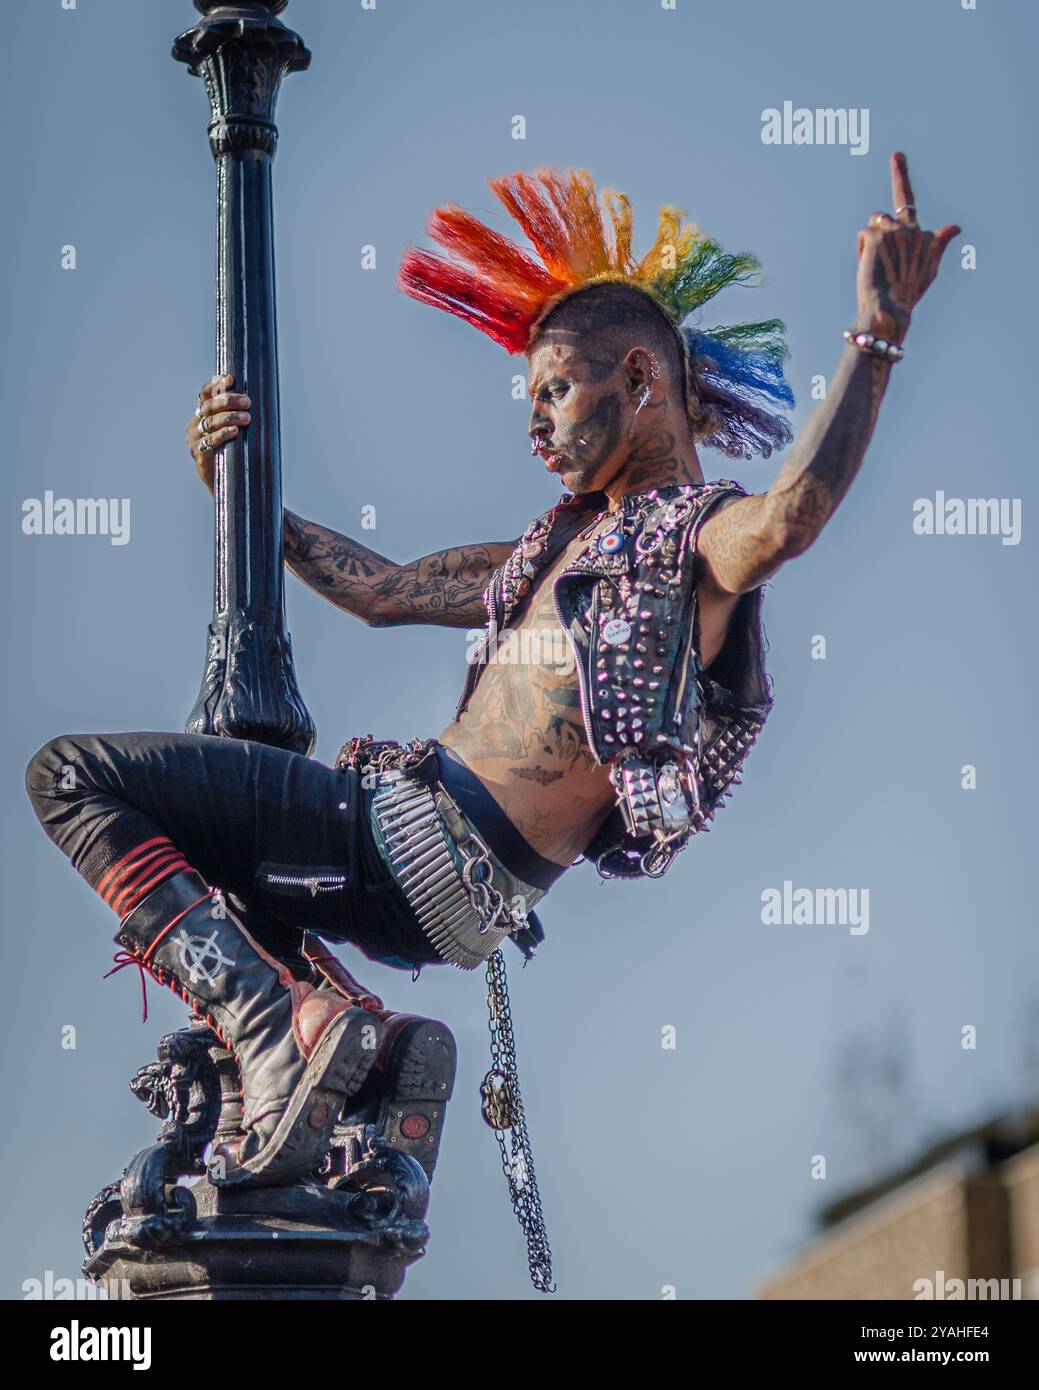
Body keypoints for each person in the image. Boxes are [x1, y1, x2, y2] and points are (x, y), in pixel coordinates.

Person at [25, 153, 958, 1192]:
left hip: (404, 843)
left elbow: (792, 516)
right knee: (192, 855)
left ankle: (271, 1020)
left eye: (555, 390)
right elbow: (381, 588)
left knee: (68, 774)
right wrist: (239, 494)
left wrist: (877, 334)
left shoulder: (696, 543)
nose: (535, 421)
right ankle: (370, 1050)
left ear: (642, 381)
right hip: (430, 888)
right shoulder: (556, 552)